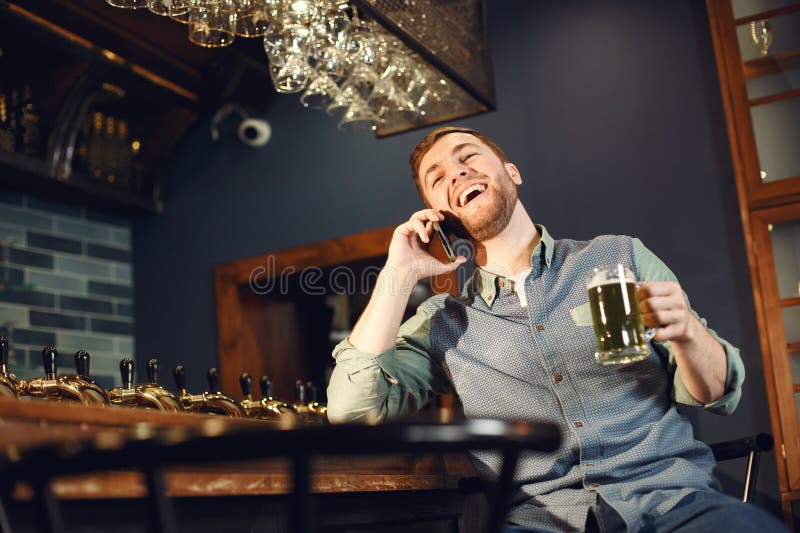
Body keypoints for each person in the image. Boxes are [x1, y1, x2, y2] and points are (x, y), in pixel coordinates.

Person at [326, 126, 786, 532]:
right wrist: (398, 275)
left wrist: (687, 333)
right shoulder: (443, 322)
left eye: (468, 158)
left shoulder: (617, 257)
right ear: (439, 214)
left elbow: (717, 393)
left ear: (511, 172)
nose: (457, 174)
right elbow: (350, 412)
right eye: (438, 178)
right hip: (542, 520)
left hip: (674, 503)